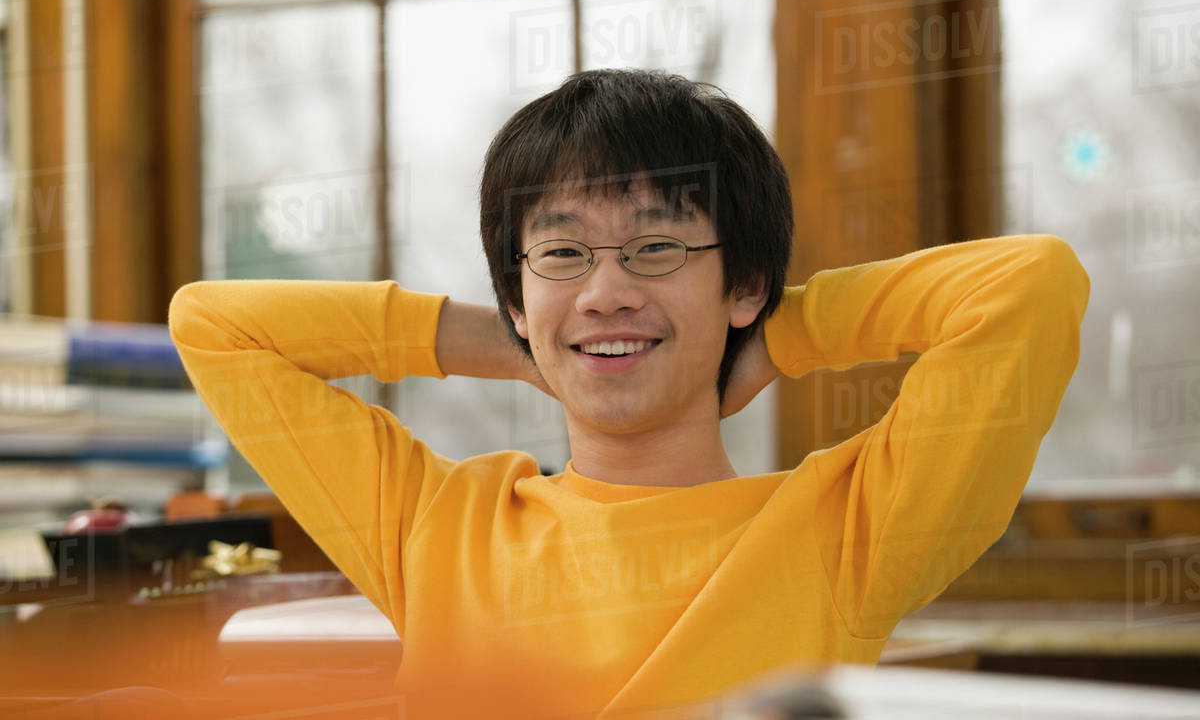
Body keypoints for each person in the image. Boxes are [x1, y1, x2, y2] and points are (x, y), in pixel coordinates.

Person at [168, 69, 1090, 719]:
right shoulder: (435, 524)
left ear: (744, 281)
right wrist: (520, 337)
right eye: (563, 252)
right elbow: (213, 325)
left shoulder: (848, 530)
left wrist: (776, 334)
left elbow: (1027, 288)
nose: (608, 288)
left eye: (658, 246)